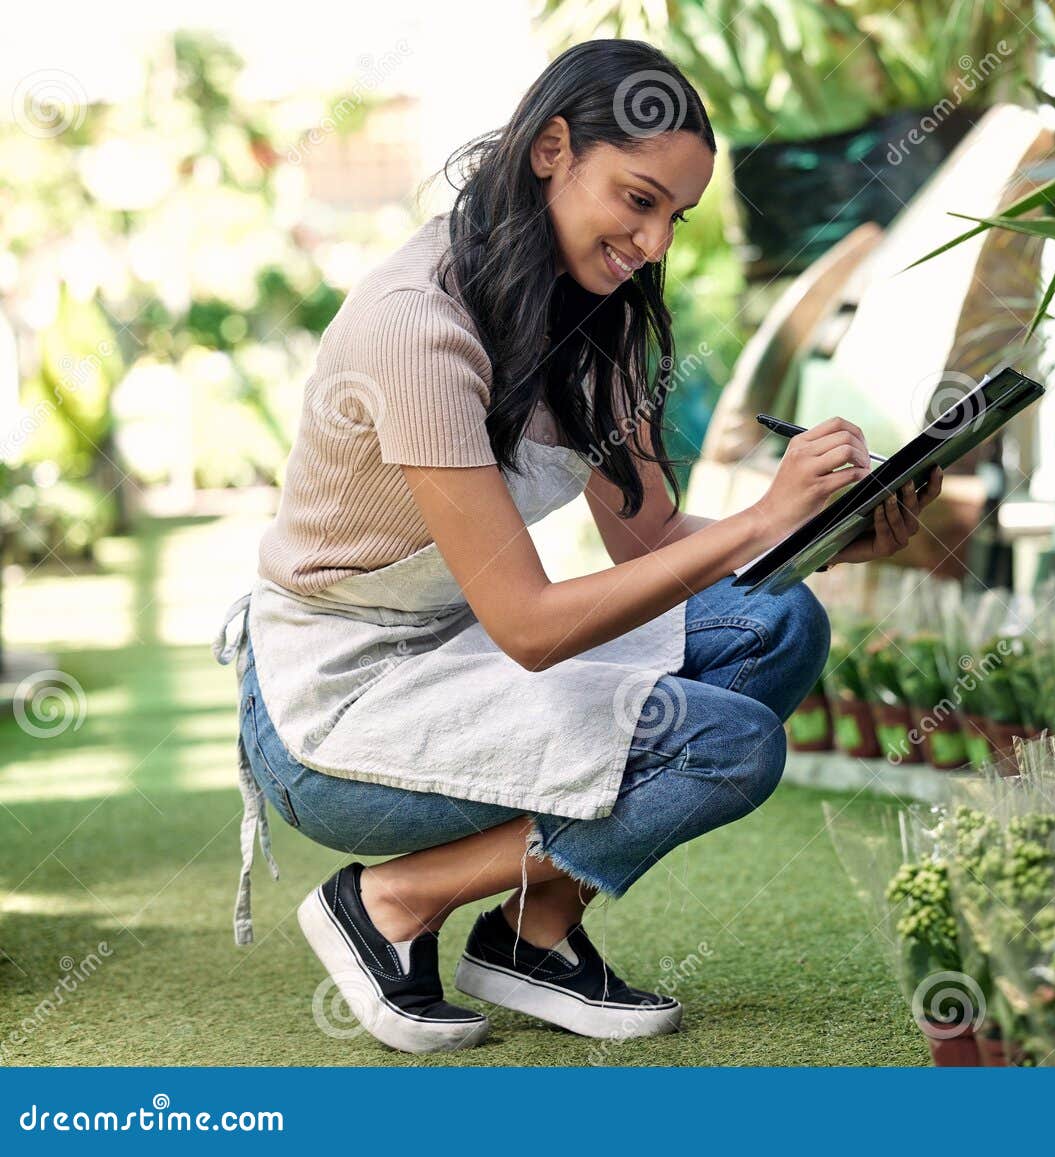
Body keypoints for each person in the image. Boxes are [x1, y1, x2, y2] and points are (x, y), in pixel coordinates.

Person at [209, 38, 942, 1054]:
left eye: (675, 217)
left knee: (775, 623)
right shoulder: (416, 327)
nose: (652, 242)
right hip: (332, 712)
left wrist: (837, 530)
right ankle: (390, 899)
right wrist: (759, 516)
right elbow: (530, 627)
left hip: (458, 652)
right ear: (551, 147)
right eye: (637, 200)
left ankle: (531, 931)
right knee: (723, 744)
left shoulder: (598, 317)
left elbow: (648, 543)